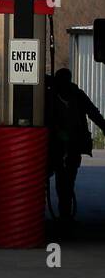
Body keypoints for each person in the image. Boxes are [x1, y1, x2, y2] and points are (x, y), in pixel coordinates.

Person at [47, 68, 105, 225]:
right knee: (62, 180)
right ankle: (64, 213)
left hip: (72, 145)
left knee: (67, 181)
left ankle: (65, 213)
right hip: (56, 146)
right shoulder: (51, 96)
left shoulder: (76, 95)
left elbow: (93, 112)